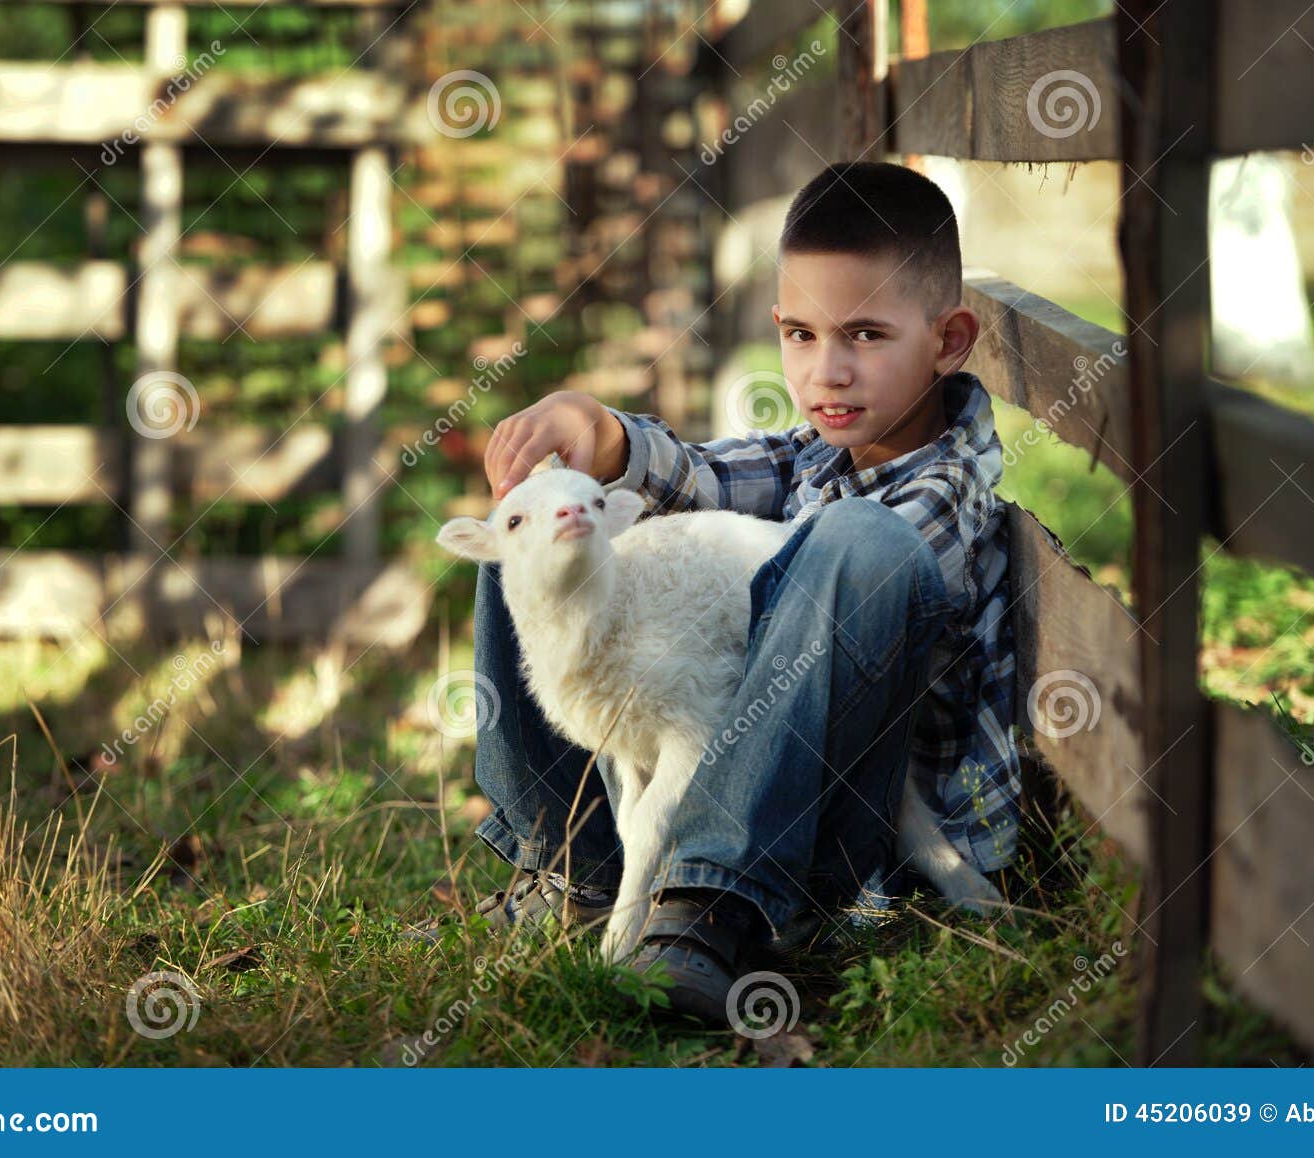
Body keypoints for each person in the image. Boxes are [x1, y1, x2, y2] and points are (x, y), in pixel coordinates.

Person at [414, 161, 1021, 1027]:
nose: (829, 373)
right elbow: (701, 476)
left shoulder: (942, 491)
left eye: (866, 336)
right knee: (526, 535)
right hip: (731, 781)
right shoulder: (814, 457)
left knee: (854, 543)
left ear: (949, 340)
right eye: (802, 336)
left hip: (844, 828)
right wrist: (602, 434)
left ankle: (708, 905)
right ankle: (571, 866)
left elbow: (831, 582)